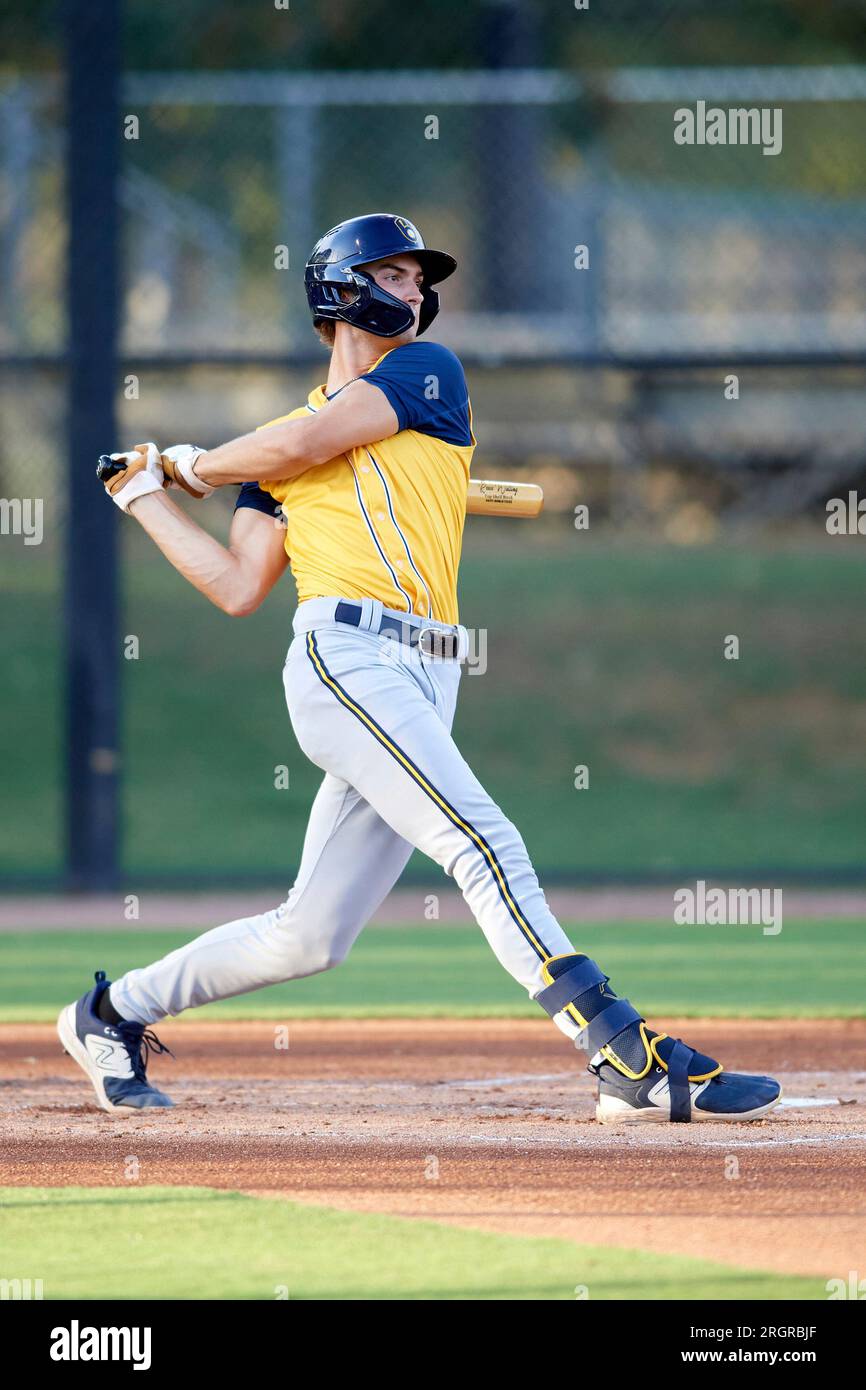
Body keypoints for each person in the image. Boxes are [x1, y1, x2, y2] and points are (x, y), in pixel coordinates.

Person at [58, 213, 781, 1125]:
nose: (413, 291)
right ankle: (620, 1052)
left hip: (431, 668)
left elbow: (309, 442)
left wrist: (195, 463)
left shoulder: (425, 374)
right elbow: (239, 584)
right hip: (345, 658)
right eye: (392, 275)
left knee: (309, 937)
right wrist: (145, 497)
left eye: (415, 279)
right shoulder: (276, 450)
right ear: (339, 290)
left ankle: (111, 1012)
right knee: (484, 844)